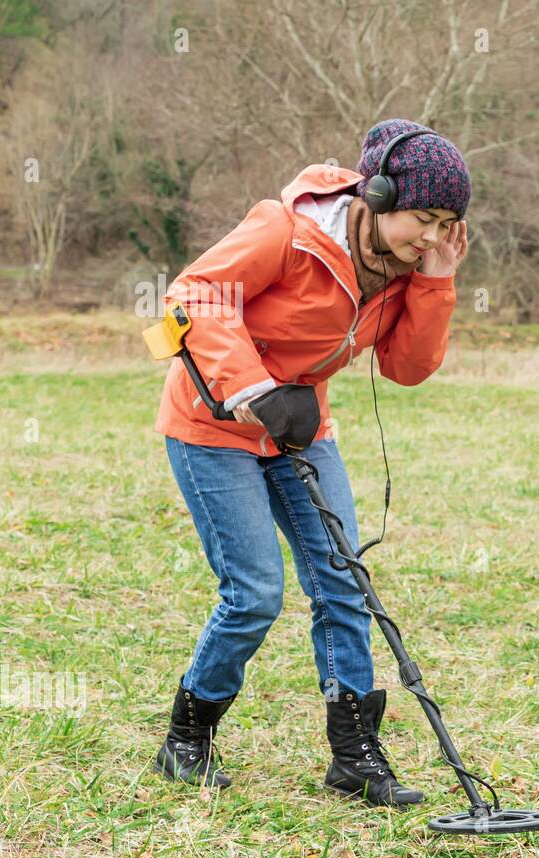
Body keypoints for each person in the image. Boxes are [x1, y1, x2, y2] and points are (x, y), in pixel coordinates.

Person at [150, 119, 470, 808]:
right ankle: (187, 736)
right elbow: (194, 293)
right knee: (255, 594)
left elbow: (407, 368)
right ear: (380, 195)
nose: (433, 236)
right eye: (424, 218)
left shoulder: (407, 270)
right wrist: (253, 387)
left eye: (448, 224)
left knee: (343, 582)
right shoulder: (286, 233)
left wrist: (437, 283)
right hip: (215, 427)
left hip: (301, 432)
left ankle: (354, 756)